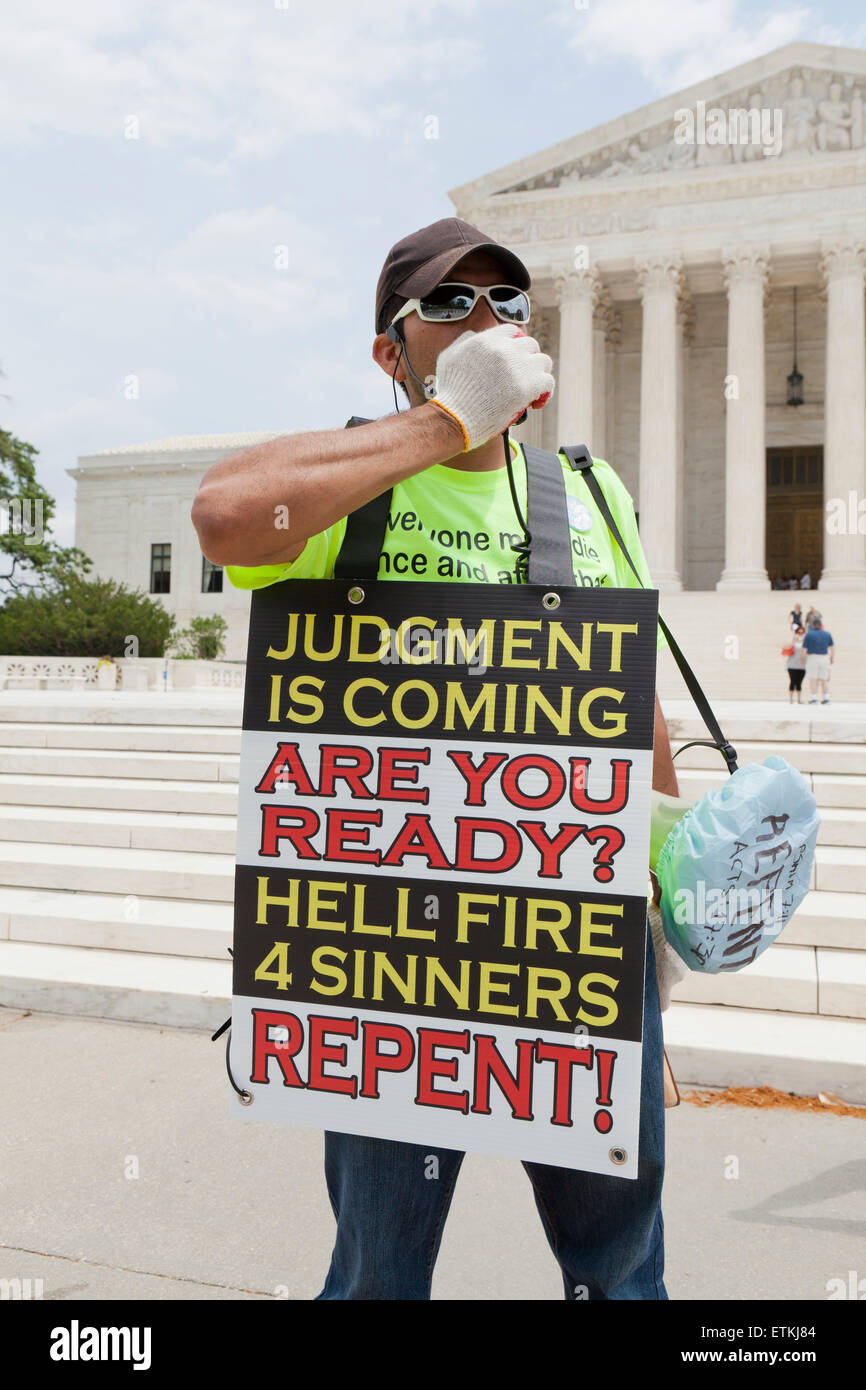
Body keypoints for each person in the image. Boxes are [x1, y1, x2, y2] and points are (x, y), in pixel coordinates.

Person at [191, 216, 679, 1302]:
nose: (485, 320)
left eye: (505, 303)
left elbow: (630, 695)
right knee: (377, 1277)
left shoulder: (592, 495)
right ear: (390, 350)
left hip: (577, 956)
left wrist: (655, 923)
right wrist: (446, 417)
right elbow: (224, 516)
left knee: (620, 1272)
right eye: (447, 306)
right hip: (390, 965)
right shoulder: (348, 486)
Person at [802, 617, 835, 703]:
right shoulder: (827, 634)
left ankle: (814, 698)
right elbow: (831, 647)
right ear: (821, 625)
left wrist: (802, 659)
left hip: (812, 657)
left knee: (813, 679)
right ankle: (826, 698)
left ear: (812, 625)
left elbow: (804, 649)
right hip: (824, 657)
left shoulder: (809, 635)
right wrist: (832, 657)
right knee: (824, 679)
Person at [785, 625, 807, 703]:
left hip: (802, 665)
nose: (800, 634)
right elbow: (786, 648)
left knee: (799, 683)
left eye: (802, 632)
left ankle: (799, 699)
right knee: (792, 681)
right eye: (799, 632)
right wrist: (793, 640)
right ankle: (791, 699)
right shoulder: (793, 640)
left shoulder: (806, 641)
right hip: (792, 665)